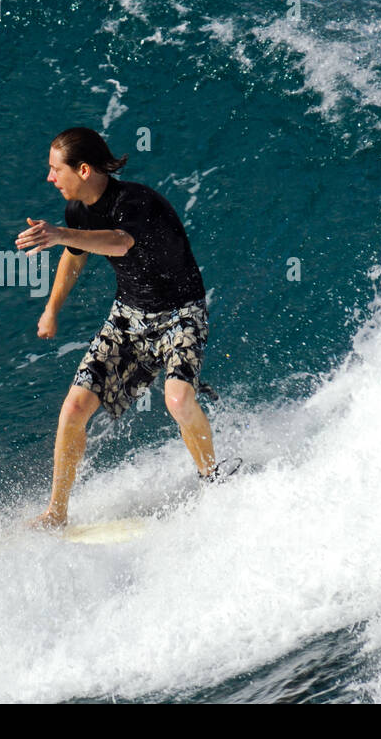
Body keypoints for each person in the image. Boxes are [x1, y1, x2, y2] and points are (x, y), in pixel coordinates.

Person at [15, 128, 236, 527]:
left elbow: (119, 243)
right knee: (73, 408)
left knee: (178, 400)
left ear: (83, 170)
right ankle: (56, 515)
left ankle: (214, 481)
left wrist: (60, 233)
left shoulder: (135, 202)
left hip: (180, 313)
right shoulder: (77, 211)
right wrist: (51, 310)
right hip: (129, 316)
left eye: (54, 169)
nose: (49, 178)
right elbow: (74, 257)